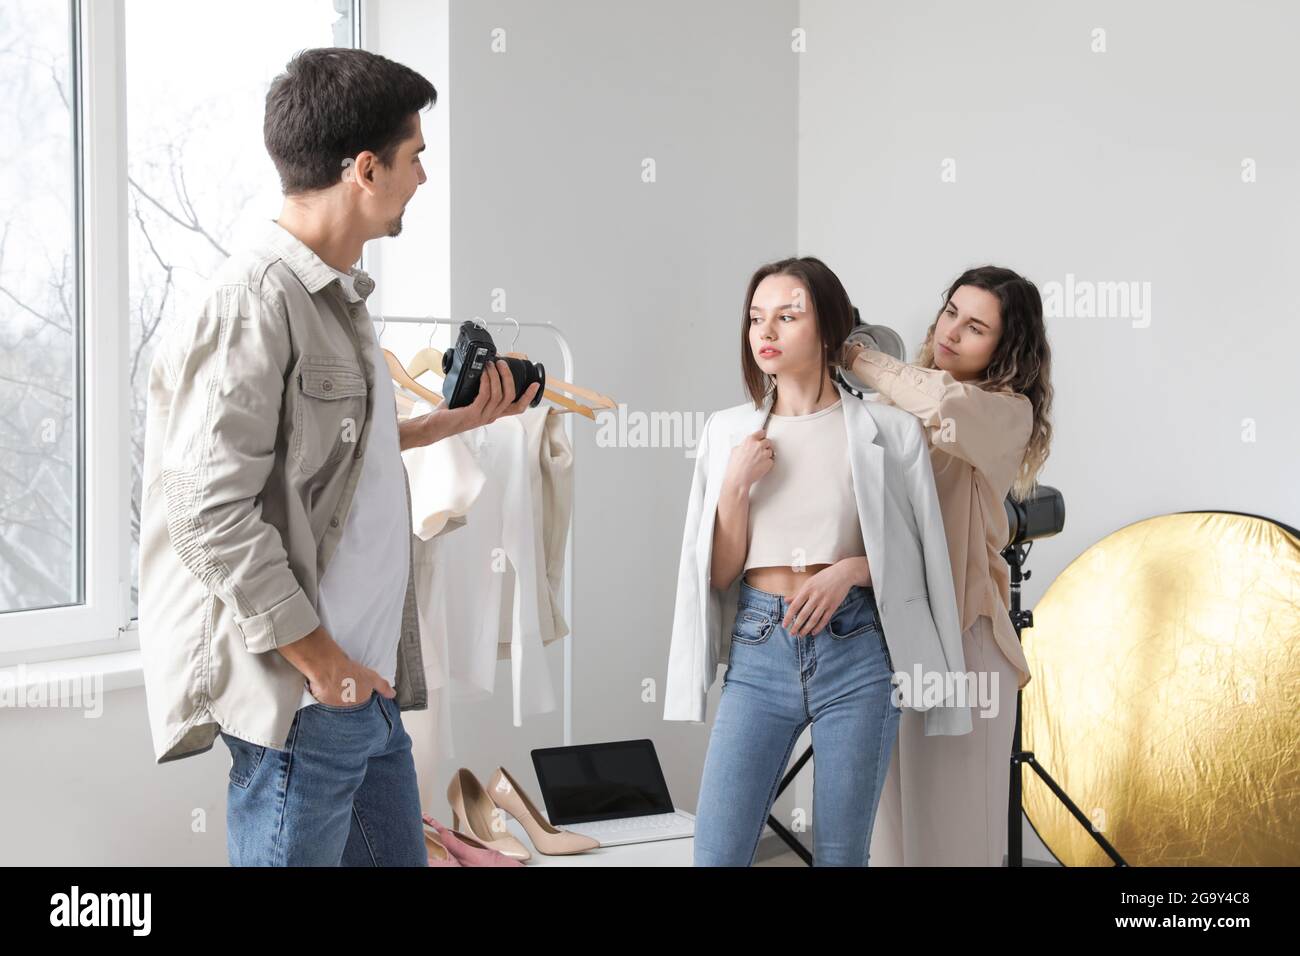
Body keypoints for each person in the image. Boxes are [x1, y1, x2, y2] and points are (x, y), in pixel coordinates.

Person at [137, 47, 539, 866]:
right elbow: (206, 511)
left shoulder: (341, 299)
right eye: (415, 156)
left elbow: (324, 460)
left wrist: (442, 427)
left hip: (367, 687)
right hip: (310, 698)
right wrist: (324, 667)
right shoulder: (254, 302)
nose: (422, 177)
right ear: (366, 168)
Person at [664, 256, 972, 866]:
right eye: (756, 318)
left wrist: (853, 569)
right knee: (717, 853)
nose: (766, 333)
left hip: (857, 651)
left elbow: (923, 557)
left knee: (839, 855)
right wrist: (733, 487)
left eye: (787, 316)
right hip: (759, 650)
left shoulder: (890, 430)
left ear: (829, 330)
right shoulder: (726, 434)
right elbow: (720, 574)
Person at [847, 265, 1054, 866]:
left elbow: (941, 402)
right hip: (889, 642)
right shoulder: (888, 402)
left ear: (1005, 348)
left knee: (955, 846)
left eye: (976, 326)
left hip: (967, 646)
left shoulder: (1002, 413)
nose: (953, 331)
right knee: (889, 844)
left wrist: (854, 352)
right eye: (950, 312)